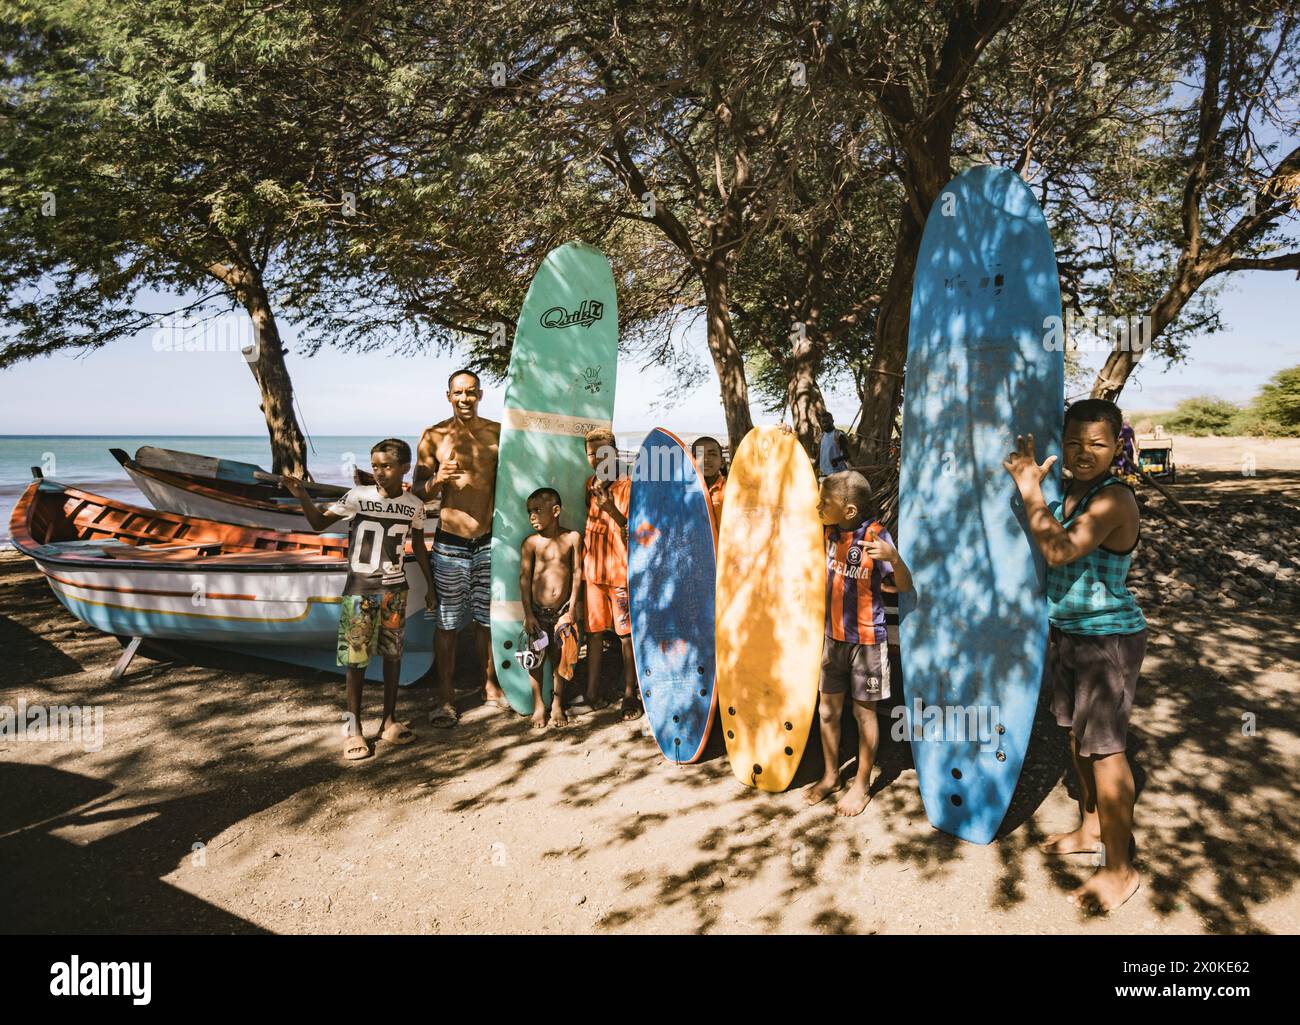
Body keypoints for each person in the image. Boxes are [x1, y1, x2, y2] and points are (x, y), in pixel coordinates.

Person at [1003, 398, 1147, 913]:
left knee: (1106, 750)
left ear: (1117, 447)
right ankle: (1090, 830)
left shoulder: (1115, 501)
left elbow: (1060, 550)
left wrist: (1028, 489)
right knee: (1075, 739)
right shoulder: (1072, 490)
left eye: (1098, 444)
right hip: (1067, 631)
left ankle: (1119, 868)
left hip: (1107, 639)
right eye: (1074, 443)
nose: (1084, 453)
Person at [283, 440, 435, 761]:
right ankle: (353, 726)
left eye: (388, 466)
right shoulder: (357, 497)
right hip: (360, 591)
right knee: (356, 660)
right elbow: (318, 523)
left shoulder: (414, 505)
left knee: (393, 657)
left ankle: (389, 720)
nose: (379, 472)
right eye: (375, 465)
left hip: (395, 592)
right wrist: (303, 497)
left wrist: (431, 586)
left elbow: (418, 547)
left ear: (405, 468)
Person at [805, 470, 913, 815]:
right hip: (832, 640)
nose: (818, 505)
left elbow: (906, 586)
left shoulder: (876, 536)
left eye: (826, 502)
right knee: (827, 711)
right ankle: (830, 775)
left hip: (867, 643)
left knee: (864, 714)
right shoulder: (828, 533)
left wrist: (893, 559)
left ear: (849, 510)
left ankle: (861, 784)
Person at [413, 369, 506, 726]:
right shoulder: (433, 436)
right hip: (450, 542)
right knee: (447, 625)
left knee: (486, 621)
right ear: (448, 396)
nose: (465, 398)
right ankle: (447, 699)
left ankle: (490, 687)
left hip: (488, 540)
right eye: (458, 393)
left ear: (480, 395)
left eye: (471, 392)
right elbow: (417, 491)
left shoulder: (498, 433)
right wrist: (438, 479)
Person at [580, 427, 642, 720]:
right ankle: (592, 691)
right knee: (593, 633)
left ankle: (630, 694)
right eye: (592, 453)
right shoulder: (590, 484)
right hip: (593, 573)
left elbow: (638, 533)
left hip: (620, 575)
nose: (597, 457)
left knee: (625, 636)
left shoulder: (629, 486)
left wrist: (612, 510)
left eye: (603, 451)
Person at [518, 487, 583, 729]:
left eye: (537, 510)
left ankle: (556, 704)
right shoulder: (531, 543)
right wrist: (528, 614)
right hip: (537, 614)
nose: (532, 516)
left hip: (562, 613)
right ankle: (538, 706)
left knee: (559, 659)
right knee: (535, 659)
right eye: (529, 512)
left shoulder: (572, 538)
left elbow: (577, 574)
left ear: (555, 511)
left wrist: (572, 608)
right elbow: (524, 579)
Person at [689, 435, 727, 523]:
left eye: (712, 454)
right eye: (699, 455)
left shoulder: (732, 490)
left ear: (722, 462)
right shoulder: (682, 493)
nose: (705, 460)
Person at [817, 411, 850, 477]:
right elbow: (819, 455)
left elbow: (847, 455)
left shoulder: (839, 435)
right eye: (823, 422)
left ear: (832, 421)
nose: (824, 424)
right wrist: (813, 467)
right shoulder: (822, 436)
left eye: (827, 422)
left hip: (838, 474)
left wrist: (836, 460)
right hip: (824, 474)